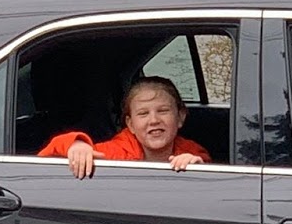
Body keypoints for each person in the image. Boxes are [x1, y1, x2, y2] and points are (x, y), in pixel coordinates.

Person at [39, 76, 211, 179]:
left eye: (163, 111)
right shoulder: (113, 153)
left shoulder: (191, 151)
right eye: (143, 114)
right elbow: (45, 158)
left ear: (180, 117)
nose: (154, 120)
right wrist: (76, 145)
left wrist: (197, 167)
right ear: (131, 125)